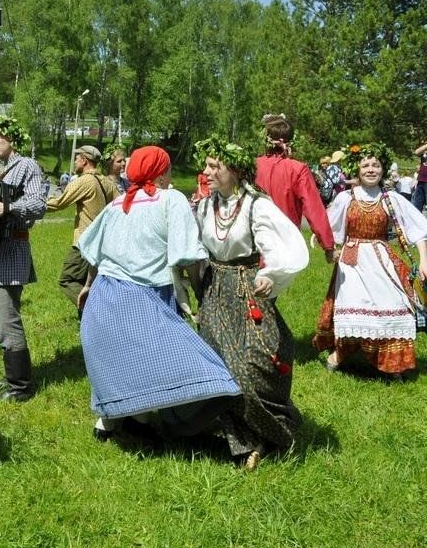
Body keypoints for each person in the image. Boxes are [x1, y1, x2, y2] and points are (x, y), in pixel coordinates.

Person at [77, 145, 240, 442]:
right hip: (142, 297)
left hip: (104, 296)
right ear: (161, 172)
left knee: (124, 361)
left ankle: (115, 424)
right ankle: (182, 417)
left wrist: (88, 286)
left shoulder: (118, 204)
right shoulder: (170, 200)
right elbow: (186, 254)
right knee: (179, 360)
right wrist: (200, 289)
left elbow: (92, 251)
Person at [195, 136, 308, 469]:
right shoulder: (203, 205)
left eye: (214, 166)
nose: (207, 172)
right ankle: (244, 442)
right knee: (219, 365)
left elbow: (284, 245)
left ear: (235, 169)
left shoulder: (257, 204)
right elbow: (192, 249)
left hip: (247, 287)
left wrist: (270, 274)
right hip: (214, 287)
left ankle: (273, 428)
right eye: (207, 165)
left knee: (254, 364)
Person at [313, 143, 427, 378]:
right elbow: (329, 227)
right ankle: (339, 355)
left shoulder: (391, 199)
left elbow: (417, 228)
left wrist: (424, 260)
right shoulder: (346, 197)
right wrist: (327, 249)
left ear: (383, 169)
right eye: (366, 165)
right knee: (354, 306)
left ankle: (392, 361)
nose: (371, 169)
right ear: (358, 169)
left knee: (394, 304)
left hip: (381, 256)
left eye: (376, 165)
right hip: (352, 260)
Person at [0, 116, 46, 402]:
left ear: (12, 138)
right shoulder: (3, 171)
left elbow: (39, 205)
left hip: (12, 254)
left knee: (7, 319)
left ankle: (20, 387)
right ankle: (11, 377)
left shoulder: (27, 165)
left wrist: (7, 207)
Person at [255, 114, 336, 262]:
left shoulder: (252, 165)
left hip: (251, 241)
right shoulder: (298, 169)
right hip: (282, 242)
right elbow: (314, 208)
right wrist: (328, 245)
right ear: (292, 141)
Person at [45, 145, 117, 307]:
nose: (74, 162)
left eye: (76, 159)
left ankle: (97, 313)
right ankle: (89, 323)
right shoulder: (107, 182)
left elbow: (59, 203)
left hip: (84, 243)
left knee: (67, 280)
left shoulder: (84, 181)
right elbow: (119, 206)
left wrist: (30, 206)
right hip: (102, 244)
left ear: (84, 160)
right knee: (89, 283)